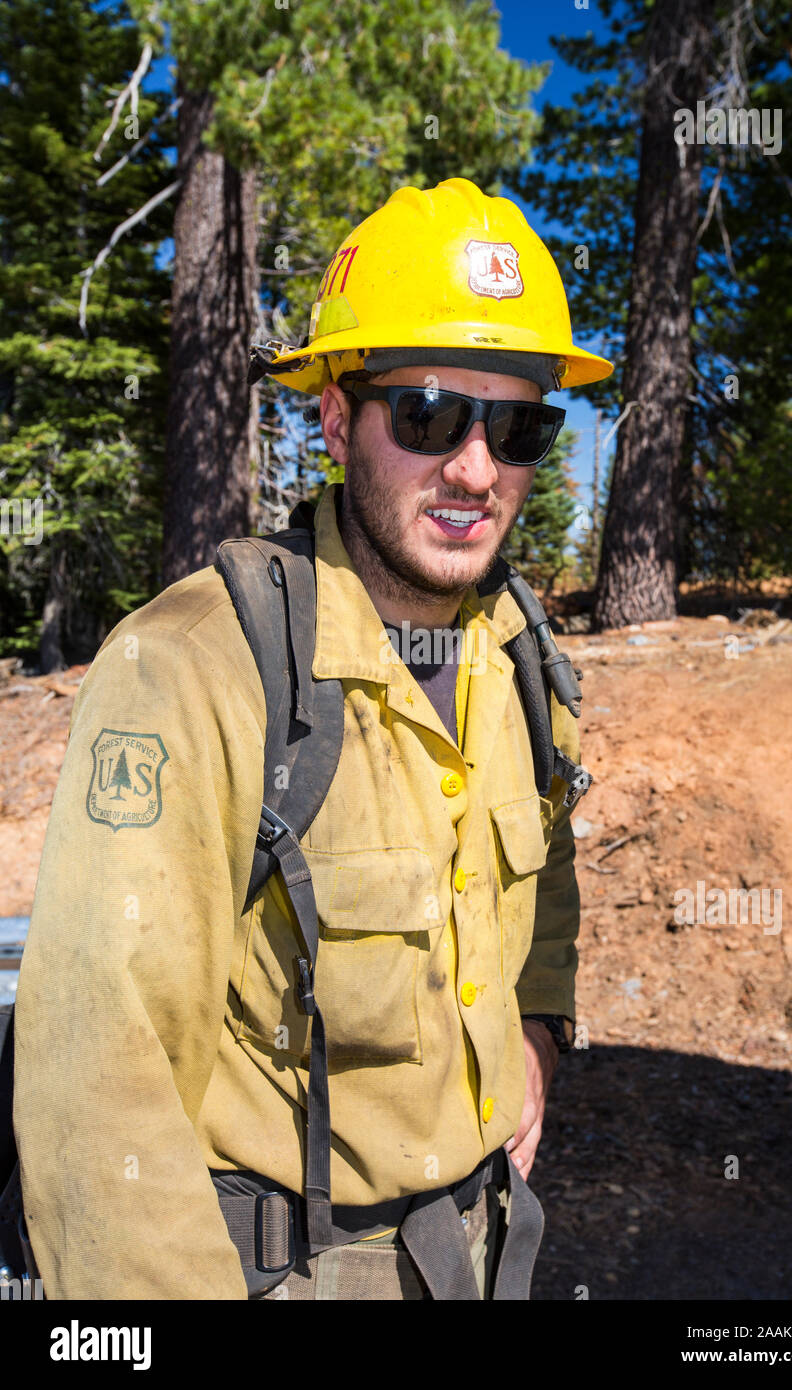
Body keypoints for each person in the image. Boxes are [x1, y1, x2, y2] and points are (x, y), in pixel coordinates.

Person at [13, 176, 612, 1299]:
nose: (476, 469)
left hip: (480, 1255)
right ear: (337, 418)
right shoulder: (196, 667)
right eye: (428, 414)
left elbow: (543, 868)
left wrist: (535, 1026)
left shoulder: (522, 659)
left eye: (519, 424)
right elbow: (96, 1091)